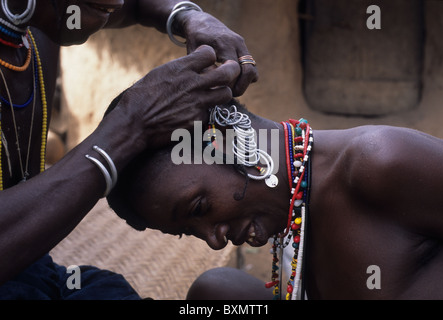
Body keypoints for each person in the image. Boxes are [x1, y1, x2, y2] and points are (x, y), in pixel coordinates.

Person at [0, 0, 258, 299]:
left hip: (35, 270)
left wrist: (188, 17)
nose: (118, 2)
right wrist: (129, 127)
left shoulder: (35, 26)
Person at [107, 98, 443, 300]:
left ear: (228, 143)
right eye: (190, 231)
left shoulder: (379, 162)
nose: (213, 240)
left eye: (199, 208)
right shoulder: (294, 210)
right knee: (215, 291)